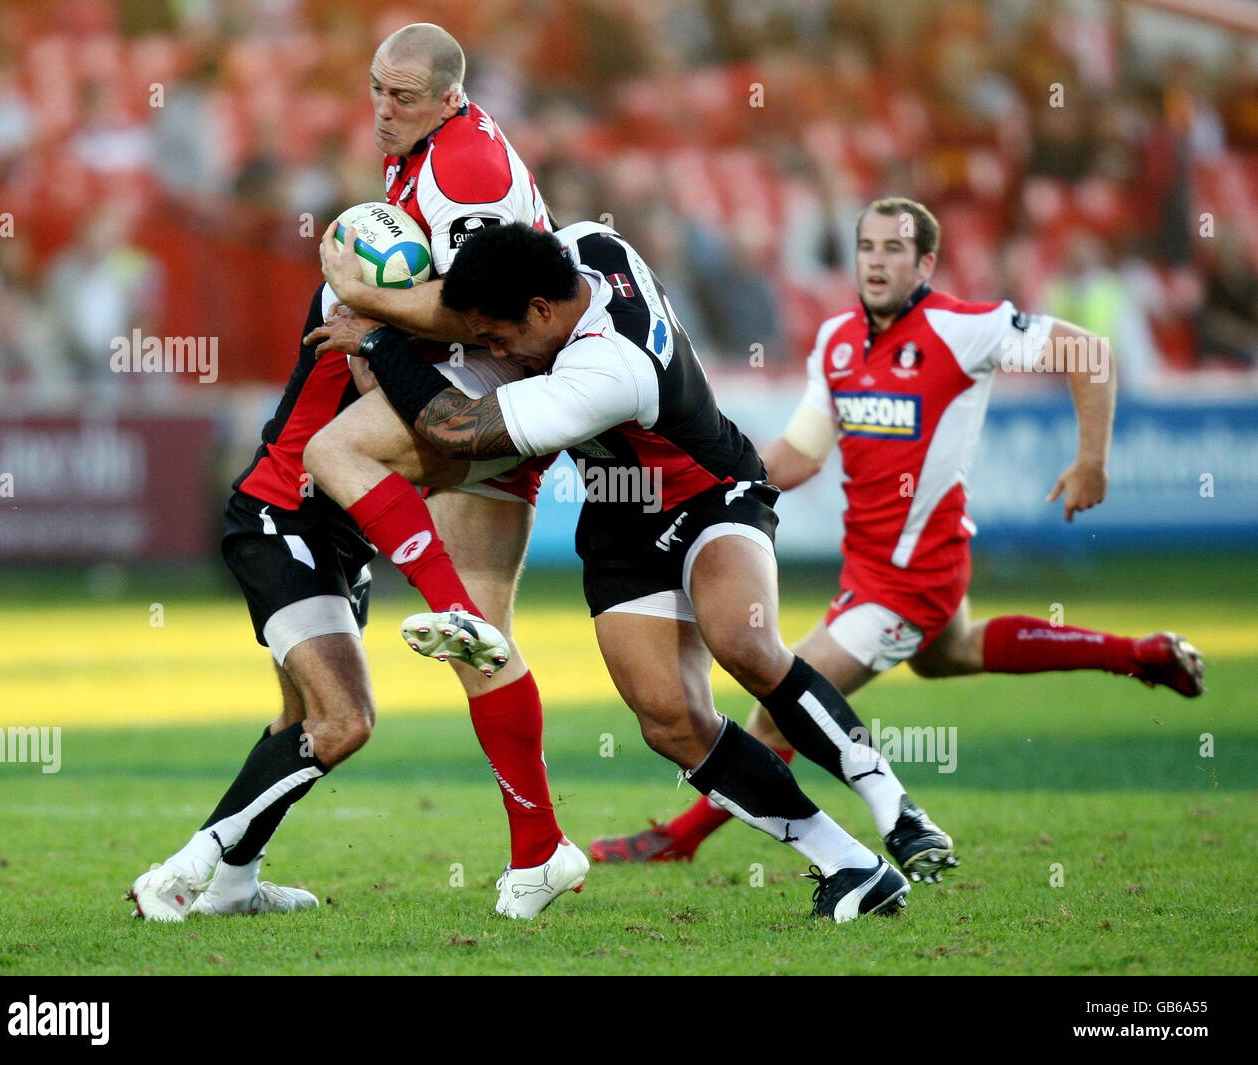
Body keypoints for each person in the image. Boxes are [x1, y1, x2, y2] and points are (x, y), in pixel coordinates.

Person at [303, 220, 968, 922]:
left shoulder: (606, 368)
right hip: (623, 519)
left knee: (744, 644)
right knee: (671, 723)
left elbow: (456, 427)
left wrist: (373, 332)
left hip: (709, 491)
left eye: (497, 336)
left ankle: (895, 806)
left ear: (541, 311)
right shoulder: (590, 244)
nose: (492, 351)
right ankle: (850, 865)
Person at [589, 196, 1206, 867]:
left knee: (783, 698)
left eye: (894, 249)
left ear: (926, 263)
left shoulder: (963, 328)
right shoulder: (837, 342)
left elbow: (1088, 351)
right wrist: (721, 479)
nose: (877, 262)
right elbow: (802, 453)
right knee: (953, 652)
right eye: (867, 247)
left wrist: (1091, 459)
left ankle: (689, 837)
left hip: (915, 569)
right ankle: (1137, 654)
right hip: (870, 566)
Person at [128, 24, 583, 923]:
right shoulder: (419, 173)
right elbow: (430, 318)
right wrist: (381, 329)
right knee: (340, 720)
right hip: (279, 516)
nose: (381, 108)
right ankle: (190, 870)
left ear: (450, 98)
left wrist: (373, 323)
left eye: (403, 95)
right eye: (375, 88)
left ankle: (240, 882)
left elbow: (466, 311)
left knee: (320, 713)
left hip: (355, 508)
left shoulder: (460, 180)